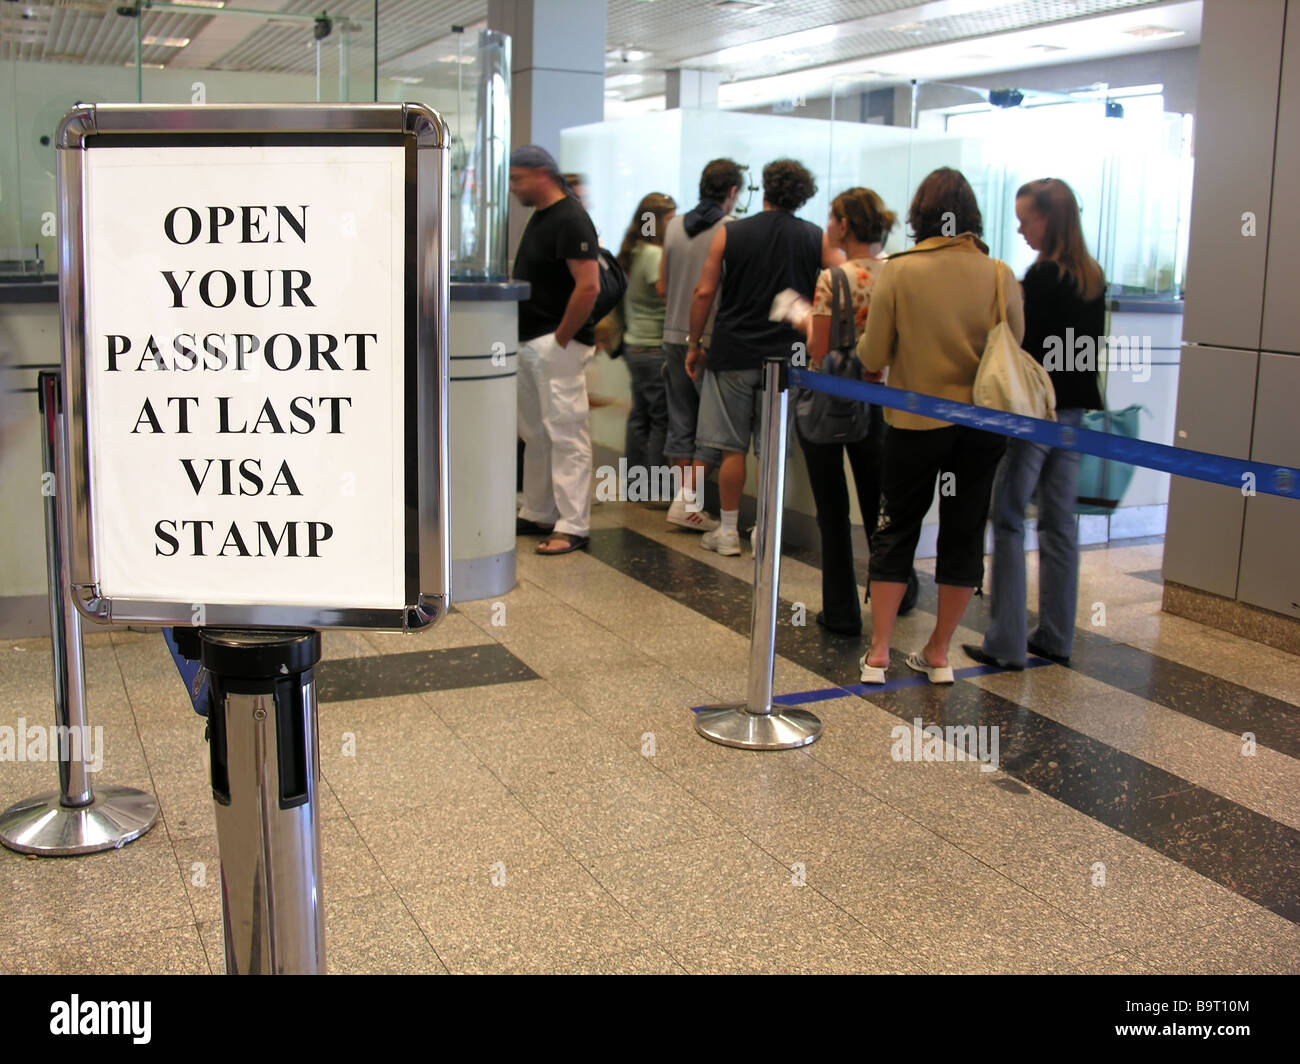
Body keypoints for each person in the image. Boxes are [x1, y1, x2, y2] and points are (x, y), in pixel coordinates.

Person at [856, 167, 1024, 684]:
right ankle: (938, 652)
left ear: (920, 215)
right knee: (964, 530)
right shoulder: (999, 274)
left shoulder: (900, 272)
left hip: (913, 421)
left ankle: (880, 652)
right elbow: (1015, 346)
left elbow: (874, 353)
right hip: (980, 425)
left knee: (897, 526)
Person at [964, 178, 1105, 670]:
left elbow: (1023, 349)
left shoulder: (1041, 278)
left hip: (1036, 415)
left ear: (1051, 219)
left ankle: (1004, 642)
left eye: (1027, 219)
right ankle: (1056, 635)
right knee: (1060, 524)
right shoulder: (1093, 277)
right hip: (1074, 415)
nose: (1021, 228)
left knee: (1006, 516)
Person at [788, 187, 917, 636]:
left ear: (844, 225)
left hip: (830, 402)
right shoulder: (899, 273)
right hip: (881, 402)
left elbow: (819, 349)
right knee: (881, 502)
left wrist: (801, 316)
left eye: (831, 217)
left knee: (832, 508)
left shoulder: (834, 279)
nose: (827, 226)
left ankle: (841, 610)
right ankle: (901, 589)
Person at [686, 158, 822, 556]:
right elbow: (834, 287)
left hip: (733, 352)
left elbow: (704, 293)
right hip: (786, 359)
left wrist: (694, 343)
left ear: (763, 188)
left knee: (732, 449)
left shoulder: (731, 234)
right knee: (772, 451)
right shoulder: (814, 237)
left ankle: (728, 532)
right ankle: (767, 533)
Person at [509, 145, 600, 555]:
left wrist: (561, 338)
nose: (513, 188)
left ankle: (573, 523)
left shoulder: (571, 218)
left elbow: (589, 286)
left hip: (555, 342)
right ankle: (538, 509)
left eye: (518, 179)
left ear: (542, 173)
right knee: (535, 432)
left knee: (566, 432)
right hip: (531, 339)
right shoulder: (542, 216)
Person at [659, 158, 742, 532]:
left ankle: (686, 505)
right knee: (711, 428)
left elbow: (663, 286)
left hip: (671, 336)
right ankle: (687, 505)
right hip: (707, 340)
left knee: (680, 422)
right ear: (733, 192)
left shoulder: (674, 225)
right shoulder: (732, 230)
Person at [617, 192, 677, 499]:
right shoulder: (655, 256)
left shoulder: (635, 251)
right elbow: (667, 295)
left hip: (634, 345)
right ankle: (656, 490)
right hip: (654, 346)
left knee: (639, 417)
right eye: (670, 219)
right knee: (660, 419)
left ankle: (634, 486)